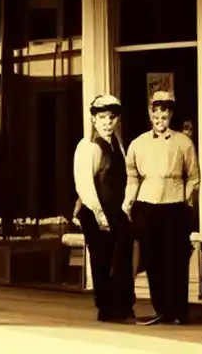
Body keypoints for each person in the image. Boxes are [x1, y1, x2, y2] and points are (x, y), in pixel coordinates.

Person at [124, 90, 199, 326]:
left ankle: (178, 311)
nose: (160, 121)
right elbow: (132, 177)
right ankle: (161, 309)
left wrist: (187, 203)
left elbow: (193, 177)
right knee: (154, 259)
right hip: (147, 204)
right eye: (156, 116)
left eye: (164, 116)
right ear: (150, 114)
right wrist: (129, 203)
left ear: (171, 115)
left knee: (175, 259)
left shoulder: (184, 143)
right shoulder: (138, 144)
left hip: (174, 204)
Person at [73, 94, 135, 323]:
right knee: (101, 261)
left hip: (116, 210)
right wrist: (99, 214)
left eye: (111, 118)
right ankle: (106, 308)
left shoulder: (118, 144)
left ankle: (122, 305)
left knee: (120, 258)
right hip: (95, 210)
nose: (107, 123)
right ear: (93, 120)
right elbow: (85, 184)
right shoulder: (87, 147)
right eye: (102, 118)